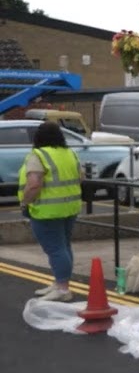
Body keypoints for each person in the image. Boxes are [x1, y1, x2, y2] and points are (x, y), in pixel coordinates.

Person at [22, 121, 83, 303]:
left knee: (55, 249)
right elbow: (81, 177)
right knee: (63, 246)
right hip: (70, 208)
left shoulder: (38, 155)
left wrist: (25, 202)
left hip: (46, 210)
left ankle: (63, 289)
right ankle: (60, 283)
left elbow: (34, 184)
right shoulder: (70, 153)